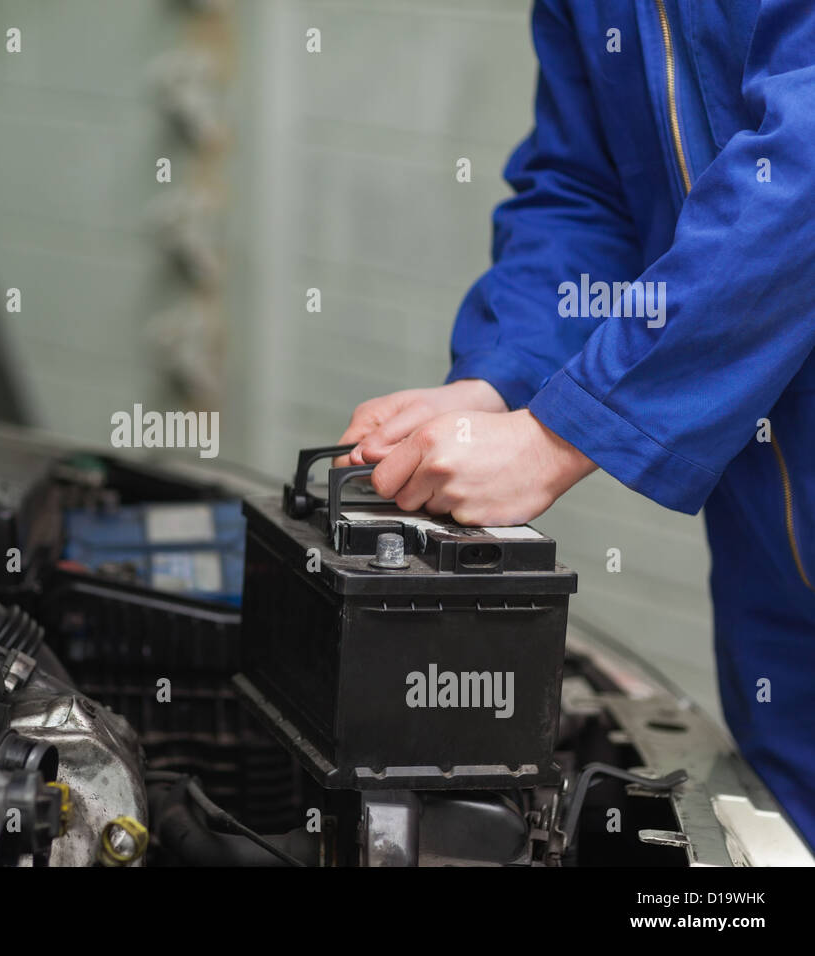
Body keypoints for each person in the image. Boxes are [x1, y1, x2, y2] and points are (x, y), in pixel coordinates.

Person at [336, 0, 815, 846]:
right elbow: (585, 192)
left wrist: (559, 434)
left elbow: (802, 172)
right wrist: (499, 381)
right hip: (775, 562)